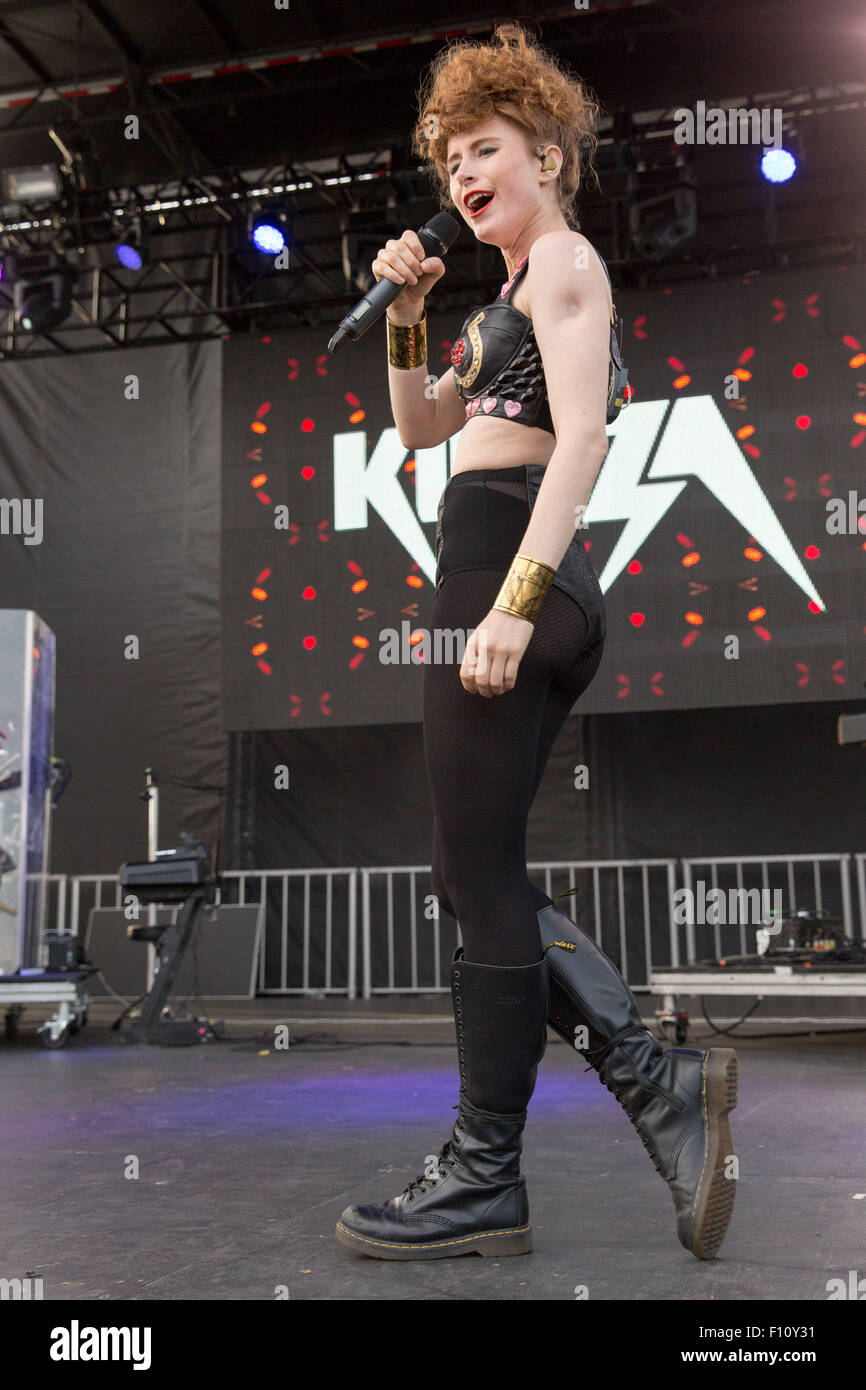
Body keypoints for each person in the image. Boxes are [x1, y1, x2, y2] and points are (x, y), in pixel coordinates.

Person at [335, 22, 737, 1264]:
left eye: (485, 147)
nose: (462, 171)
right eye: (449, 157)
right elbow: (417, 428)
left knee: (471, 870)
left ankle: (489, 1172)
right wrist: (409, 313)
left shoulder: (561, 259)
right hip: (499, 565)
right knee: (476, 872)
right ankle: (651, 1086)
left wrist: (511, 602)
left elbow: (584, 439)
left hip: (511, 565)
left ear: (547, 155)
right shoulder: (499, 299)